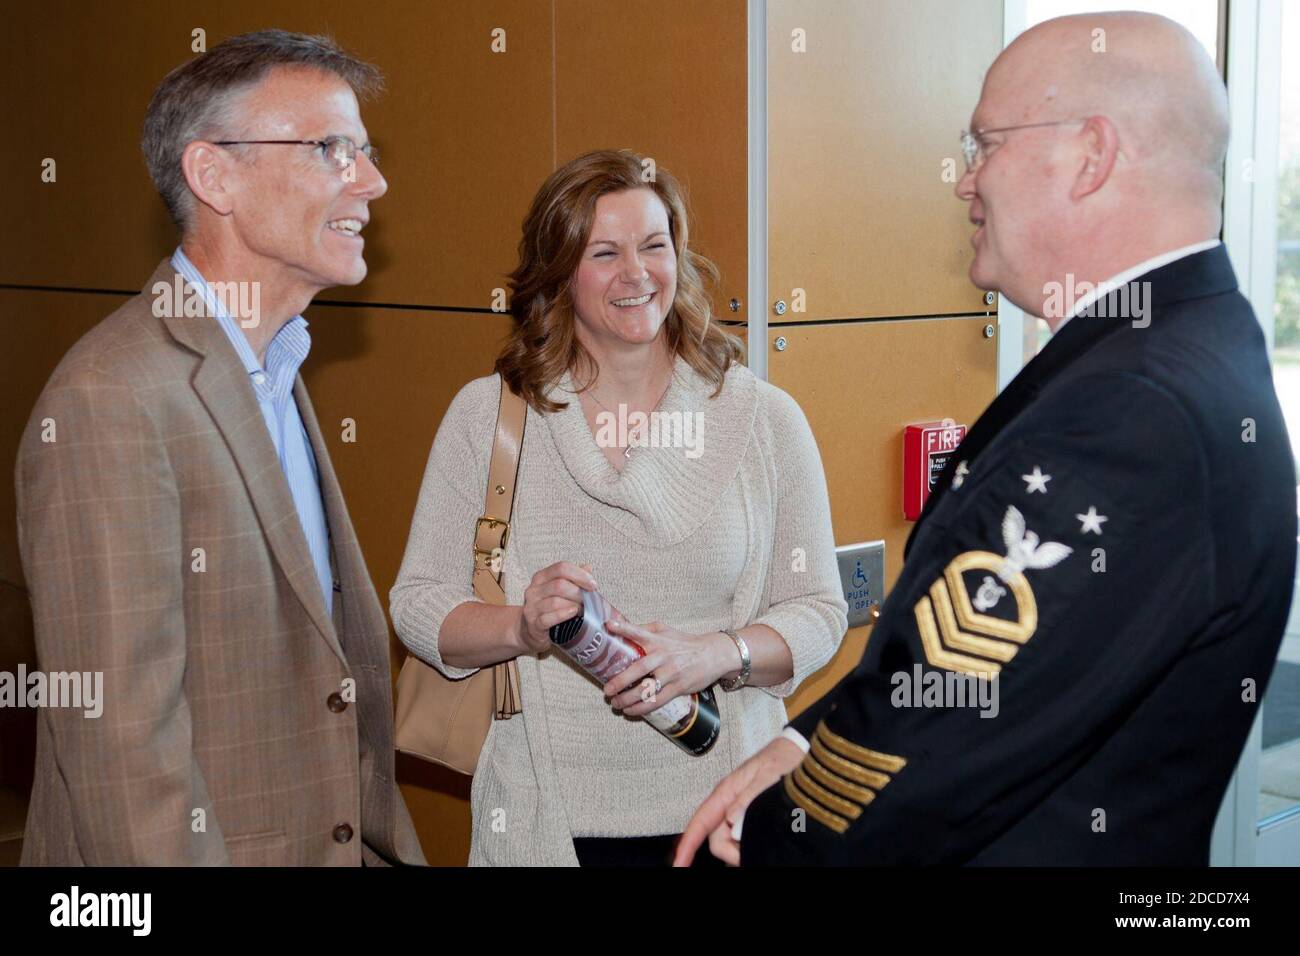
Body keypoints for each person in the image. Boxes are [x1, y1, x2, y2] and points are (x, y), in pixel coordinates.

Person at [678, 11, 1296, 866]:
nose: (964, 182)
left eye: (986, 144)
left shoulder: (1129, 410)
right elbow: (964, 662)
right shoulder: (1175, 342)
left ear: (1091, 155)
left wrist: (782, 835)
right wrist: (796, 745)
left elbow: (940, 738)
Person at [16, 30, 424, 866]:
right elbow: (126, 757)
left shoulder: (274, 365)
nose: (372, 181)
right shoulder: (112, 397)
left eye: (366, 151)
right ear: (214, 176)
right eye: (331, 149)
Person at [390, 149, 847, 866]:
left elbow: (819, 610)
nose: (638, 274)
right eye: (605, 252)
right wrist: (523, 624)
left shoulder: (762, 418)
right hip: (545, 819)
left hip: (730, 814)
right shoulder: (491, 417)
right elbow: (418, 607)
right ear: (559, 274)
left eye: (655, 246)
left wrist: (717, 654)